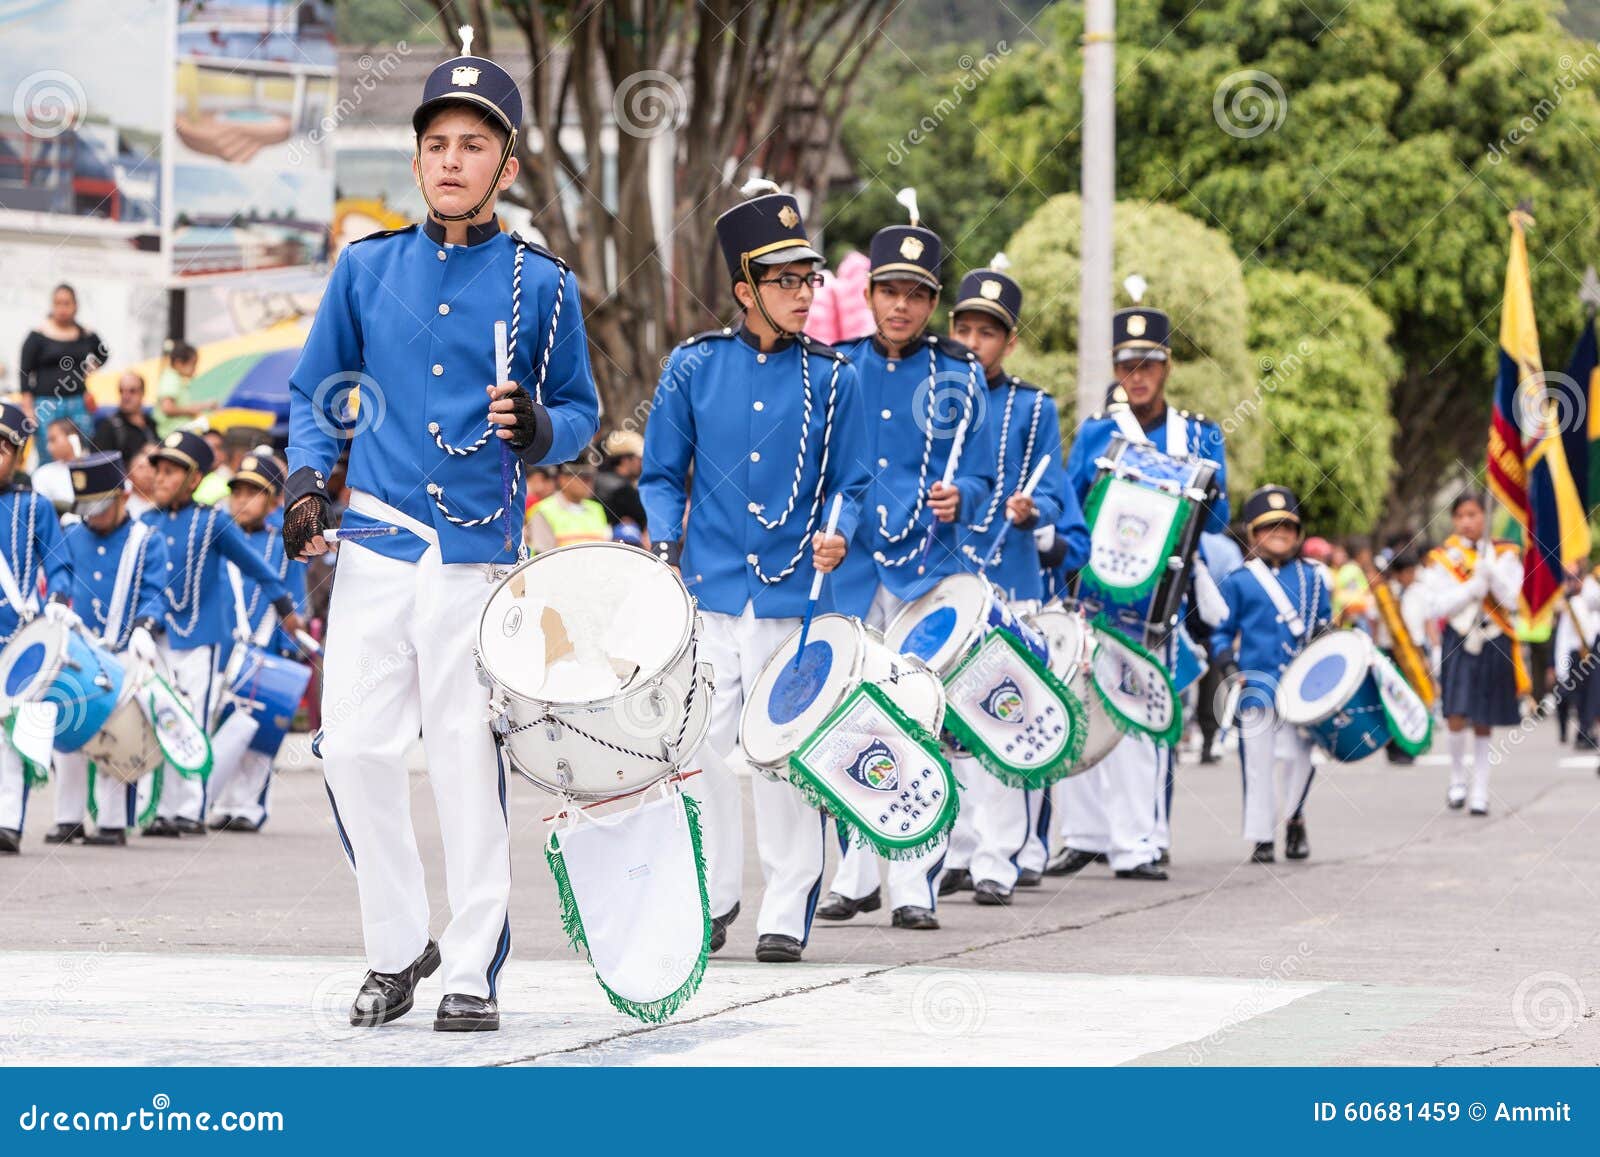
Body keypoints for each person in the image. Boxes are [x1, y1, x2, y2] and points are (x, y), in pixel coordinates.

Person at [284, 33, 598, 1032]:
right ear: (417, 160)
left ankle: (471, 967)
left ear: (505, 166)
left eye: (473, 144)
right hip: (374, 545)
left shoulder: (540, 282)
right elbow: (314, 389)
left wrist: (541, 428)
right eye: (436, 143)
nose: (451, 159)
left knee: (465, 758)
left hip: (473, 555)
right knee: (351, 750)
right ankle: (397, 944)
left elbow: (582, 406)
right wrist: (301, 476)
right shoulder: (365, 267)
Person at [641, 180, 865, 964]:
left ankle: (787, 897)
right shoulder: (692, 368)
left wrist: (840, 531)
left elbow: (852, 482)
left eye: (809, 279)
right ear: (744, 289)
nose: (805, 294)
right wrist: (665, 542)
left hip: (793, 597)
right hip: (708, 594)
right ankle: (715, 892)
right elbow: (662, 475)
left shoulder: (836, 377)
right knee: (694, 749)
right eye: (785, 280)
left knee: (780, 753)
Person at [817, 190, 997, 932]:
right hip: (855, 567)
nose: (900, 306)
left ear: (931, 303)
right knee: (851, 717)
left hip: (927, 569)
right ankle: (856, 870)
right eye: (889, 291)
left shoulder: (961, 371)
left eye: (916, 295)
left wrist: (968, 497)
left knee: (921, 719)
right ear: (869, 294)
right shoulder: (836, 366)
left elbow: (984, 471)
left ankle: (914, 879)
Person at [1051, 301, 1229, 882]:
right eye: (1128, 365)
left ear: (1167, 367)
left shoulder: (1198, 435)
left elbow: (1219, 515)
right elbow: (1073, 506)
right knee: (1084, 710)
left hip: (1160, 602)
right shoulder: (1098, 434)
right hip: (1097, 595)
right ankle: (1085, 835)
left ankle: (1141, 839)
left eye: (1149, 364)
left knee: (1145, 716)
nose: (1139, 376)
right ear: (1116, 367)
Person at [934, 257, 1086, 905]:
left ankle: (1002, 856)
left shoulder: (1034, 406)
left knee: (1003, 717)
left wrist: (1035, 510)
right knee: (948, 726)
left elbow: (1055, 490)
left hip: (1011, 582)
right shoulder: (930, 394)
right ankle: (962, 851)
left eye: (987, 332)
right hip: (942, 584)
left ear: (1010, 340)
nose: (973, 342)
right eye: (964, 329)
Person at [143, 430, 303, 837]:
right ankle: (162, 808)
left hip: (202, 637)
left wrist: (285, 606)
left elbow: (256, 567)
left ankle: (192, 808)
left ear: (194, 479)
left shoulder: (212, 521)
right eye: (157, 470)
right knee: (161, 718)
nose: (159, 478)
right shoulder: (145, 522)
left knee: (194, 720)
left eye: (170, 472)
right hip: (158, 635)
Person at [45, 451, 170, 847]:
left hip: (121, 649)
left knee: (116, 733)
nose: (92, 515)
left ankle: (113, 822)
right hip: (77, 650)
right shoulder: (71, 533)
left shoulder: (145, 539)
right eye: (88, 508)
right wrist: (58, 604)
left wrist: (145, 628)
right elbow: (59, 576)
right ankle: (68, 818)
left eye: (100, 506)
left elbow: (155, 592)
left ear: (123, 495)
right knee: (68, 729)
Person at [1207, 486, 1330, 863]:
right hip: (1257, 688)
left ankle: (1295, 819)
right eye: (1269, 526)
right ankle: (1261, 836)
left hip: (1303, 689)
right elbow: (1220, 631)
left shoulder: (1313, 578)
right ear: (1252, 535)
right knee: (1258, 764)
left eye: (1287, 526)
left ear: (1298, 533)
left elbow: (1325, 628)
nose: (1280, 533)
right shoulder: (1239, 581)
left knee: (1300, 758)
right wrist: (1229, 666)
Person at [207, 453, 307, 832]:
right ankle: (219, 800)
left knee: (257, 732)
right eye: (238, 493)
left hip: (263, 646)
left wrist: (286, 649)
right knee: (222, 727)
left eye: (253, 493)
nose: (242, 501)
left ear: (271, 501)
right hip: (223, 646)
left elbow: (293, 599)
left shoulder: (282, 543)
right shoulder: (219, 539)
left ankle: (248, 806)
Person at [1417, 492, 1523, 815]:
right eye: (1461, 515)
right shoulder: (1443, 557)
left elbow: (1514, 601)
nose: (1467, 521)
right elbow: (1437, 605)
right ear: (1453, 519)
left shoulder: (1504, 553)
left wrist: (1492, 575)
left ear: (1484, 517)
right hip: (1458, 638)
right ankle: (1456, 779)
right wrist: (1470, 589)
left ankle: (1480, 788)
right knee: (1456, 713)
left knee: (1484, 716)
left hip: (1493, 638)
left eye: (1474, 514)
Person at [0, 403, 74, 854]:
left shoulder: (34, 507)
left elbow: (60, 563)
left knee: (9, 732)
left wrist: (61, 600)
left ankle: (7, 822)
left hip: (18, 636)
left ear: (18, 455)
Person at [18, 284, 107, 459]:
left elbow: (103, 353)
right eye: (58, 303)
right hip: (46, 403)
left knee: (80, 451)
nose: (62, 308)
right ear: (52, 305)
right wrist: (28, 407)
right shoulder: (38, 335)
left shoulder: (85, 334)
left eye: (67, 303)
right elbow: (25, 371)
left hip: (78, 402)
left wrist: (89, 370)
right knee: (48, 451)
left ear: (75, 306)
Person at [526, 458, 610, 553]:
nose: (589, 482)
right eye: (584, 478)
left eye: (591, 477)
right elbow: (543, 557)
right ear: (563, 479)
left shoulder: (596, 508)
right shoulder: (543, 510)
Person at [92, 371, 160, 463]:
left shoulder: (151, 423)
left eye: (132, 391)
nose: (125, 396)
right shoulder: (109, 427)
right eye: (121, 391)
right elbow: (101, 466)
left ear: (142, 393)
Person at [594, 429, 648, 534]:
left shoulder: (595, 481)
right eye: (640, 458)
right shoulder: (625, 491)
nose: (643, 463)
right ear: (625, 460)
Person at [155, 341, 212, 438]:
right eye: (193, 364)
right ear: (178, 363)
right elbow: (167, 408)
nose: (195, 369)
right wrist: (191, 411)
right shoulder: (171, 378)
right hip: (172, 432)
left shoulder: (176, 379)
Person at [194, 427, 253, 506]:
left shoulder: (229, 480)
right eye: (206, 447)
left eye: (217, 447)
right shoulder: (191, 476)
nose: (211, 452)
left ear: (225, 453)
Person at [125, 443, 159, 519]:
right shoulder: (124, 504)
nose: (147, 472)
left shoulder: (165, 501)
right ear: (129, 475)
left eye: (151, 467)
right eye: (140, 468)